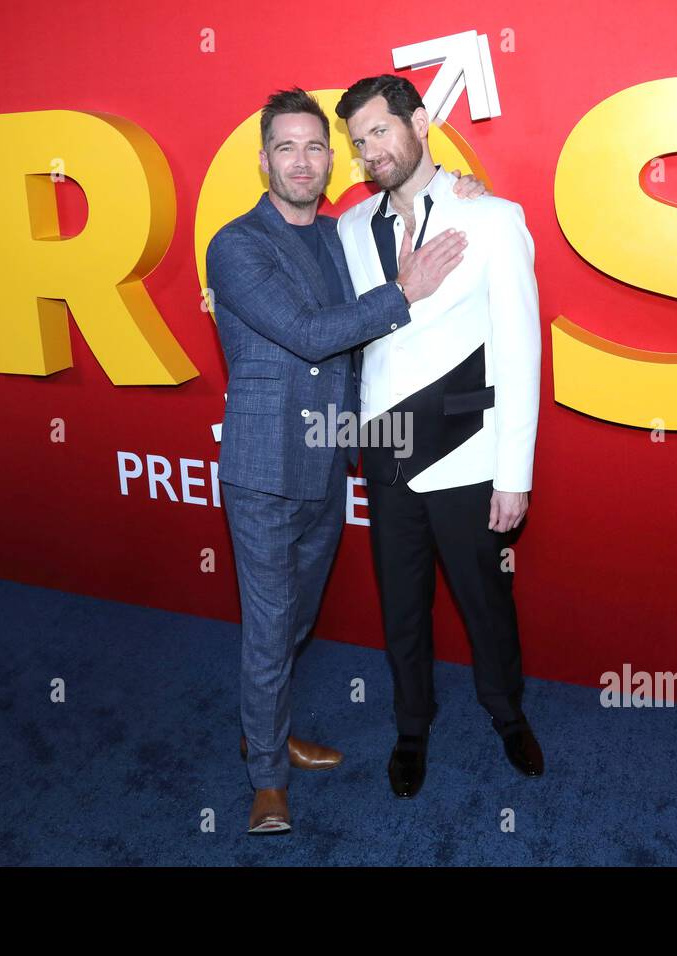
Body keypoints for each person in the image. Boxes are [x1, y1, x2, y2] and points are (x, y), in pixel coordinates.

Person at [205, 87, 483, 834]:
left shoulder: (338, 235)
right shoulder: (236, 245)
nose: (303, 160)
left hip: (328, 463)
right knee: (269, 629)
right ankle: (266, 778)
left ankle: (263, 724)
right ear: (263, 161)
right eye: (287, 147)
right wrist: (404, 290)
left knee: (293, 623)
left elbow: (408, 199)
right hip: (264, 470)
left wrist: (461, 186)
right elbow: (305, 331)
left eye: (316, 147)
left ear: (332, 162)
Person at [334, 74, 543, 799]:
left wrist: (514, 473)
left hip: (466, 451)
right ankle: (411, 727)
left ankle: (507, 714)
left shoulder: (493, 218)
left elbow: (520, 348)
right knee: (401, 609)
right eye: (358, 142)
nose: (370, 151)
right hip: (387, 451)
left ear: (419, 122)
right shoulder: (351, 228)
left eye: (380, 132)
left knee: (486, 604)